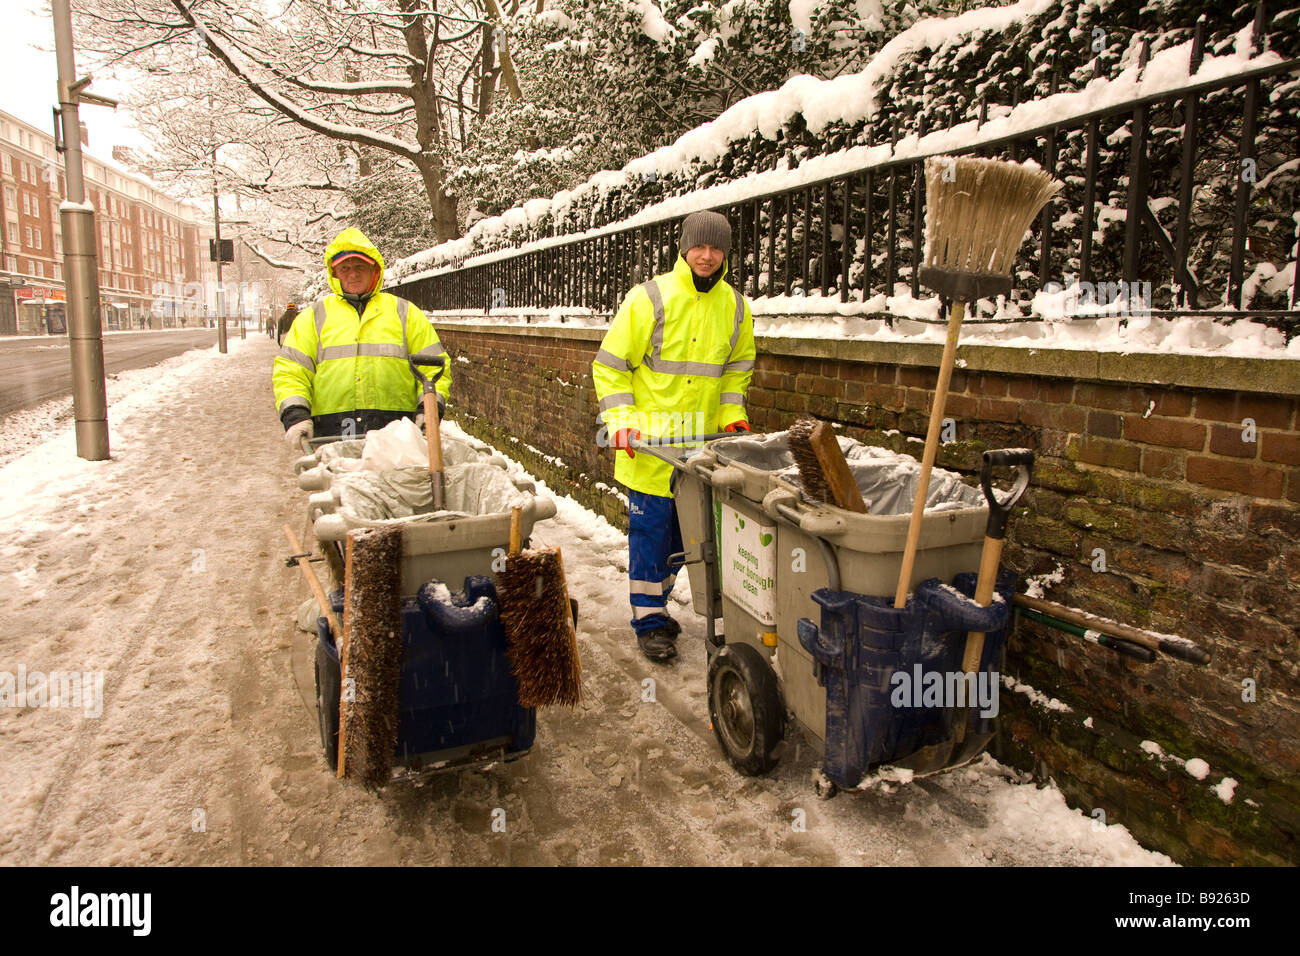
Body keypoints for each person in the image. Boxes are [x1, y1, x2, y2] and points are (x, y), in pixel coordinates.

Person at [592, 210, 755, 662]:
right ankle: (650, 622)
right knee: (651, 537)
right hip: (650, 450)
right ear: (683, 249)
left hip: (701, 451)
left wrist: (733, 415)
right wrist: (621, 421)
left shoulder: (737, 307)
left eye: (716, 248)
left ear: (725, 253)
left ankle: (659, 607)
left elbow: (737, 371)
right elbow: (610, 364)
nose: (706, 256)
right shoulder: (649, 298)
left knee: (688, 540)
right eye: (698, 247)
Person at [272, 228, 451, 446]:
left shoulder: (404, 313)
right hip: (331, 433)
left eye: (359, 266)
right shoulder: (314, 317)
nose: (353, 274)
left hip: (397, 433)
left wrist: (429, 410)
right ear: (335, 272)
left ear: (373, 269)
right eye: (345, 268)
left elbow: (433, 367)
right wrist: (295, 415)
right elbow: (291, 371)